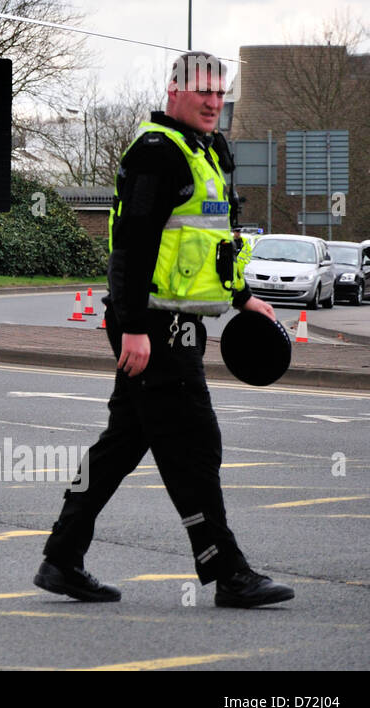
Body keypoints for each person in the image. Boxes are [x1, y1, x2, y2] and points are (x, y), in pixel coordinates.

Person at [34, 52, 295, 609]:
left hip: (177, 326)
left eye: (220, 93)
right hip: (151, 325)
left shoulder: (207, 153)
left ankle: (62, 558)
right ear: (174, 90)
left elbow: (208, 245)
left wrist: (244, 298)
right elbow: (130, 245)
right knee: (195, 445)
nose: (212, 101)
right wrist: (131, 327)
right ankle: (227, 572)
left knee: (122, 444)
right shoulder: (158, 153)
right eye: (202, 91)